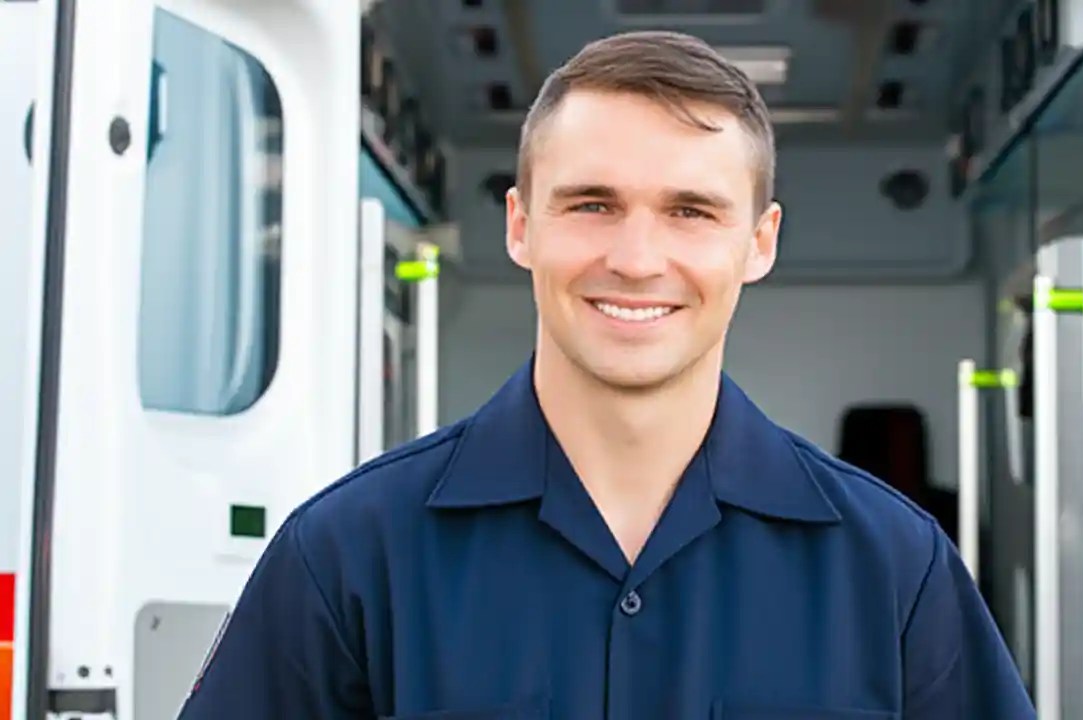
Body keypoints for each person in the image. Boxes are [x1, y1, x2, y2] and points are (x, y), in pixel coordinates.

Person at [176, 30, 1036, 720]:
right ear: (521, 226)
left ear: (760, 243)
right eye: (592, 204)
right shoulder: (347, 555)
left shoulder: (894, 567)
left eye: (690, 211)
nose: (635, 258)